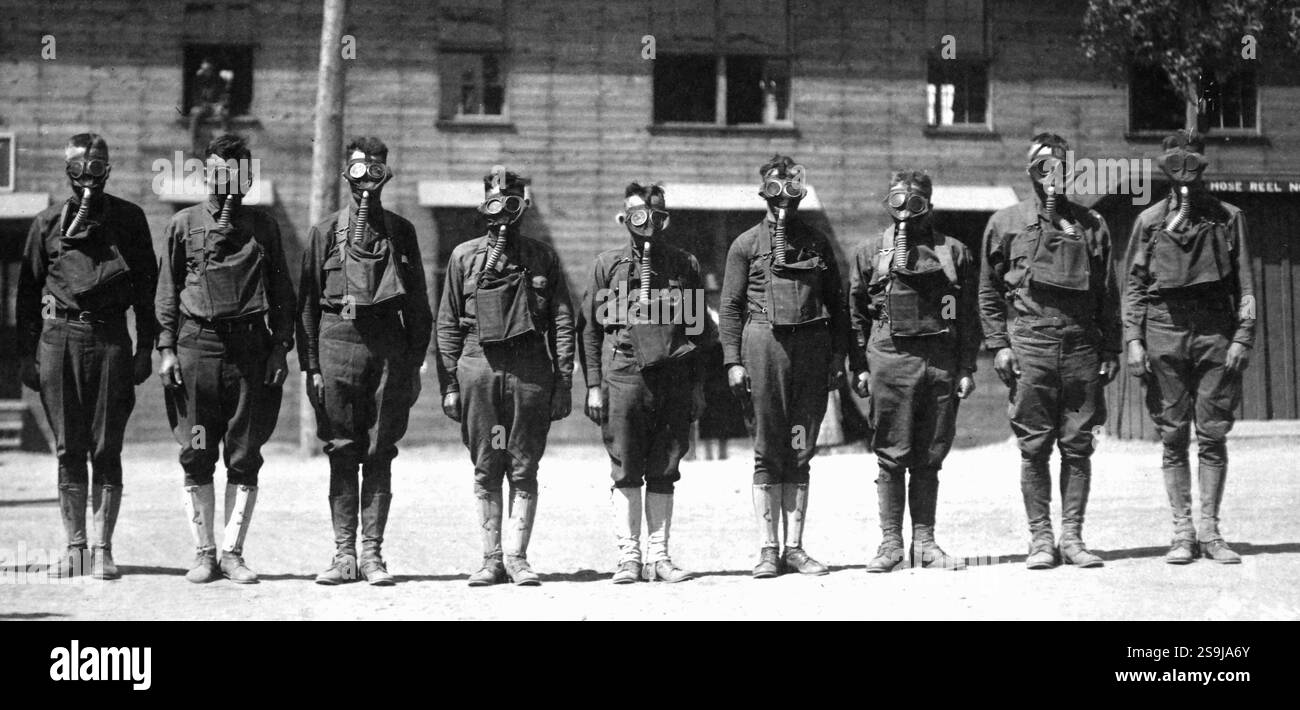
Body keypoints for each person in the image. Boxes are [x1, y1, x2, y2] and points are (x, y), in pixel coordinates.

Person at [155, 134, 296, 584]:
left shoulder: (263, 226)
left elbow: (282, 293)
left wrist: (280, 347)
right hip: (198, 348)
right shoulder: (183, 224)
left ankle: (233, 553)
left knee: (243, 451)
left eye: (235, 172)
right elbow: (168, 291)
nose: (225, 181)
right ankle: (204, 552)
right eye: (217, 170)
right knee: (196, 450)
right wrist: (166, 348)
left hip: (250, 351)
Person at [16, 133, 158, 580]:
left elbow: (147, 290)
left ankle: (103, 549)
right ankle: (75, 549)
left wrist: (145, 347)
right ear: (66, 170)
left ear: (108, 168)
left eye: (95, 167)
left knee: (107, 447)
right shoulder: (46, 224)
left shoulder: (129, 220)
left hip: (111, 339)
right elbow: (26, 295)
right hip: (59, 339)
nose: (87, 178)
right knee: (68, 448)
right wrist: (28, 354)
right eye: (78, 167)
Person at [979, 133, 1120, 570]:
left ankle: (1072, 538)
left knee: (1078, 445)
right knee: (1034, 446)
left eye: (1059, 164)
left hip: (1081, 344)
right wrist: (999, 345)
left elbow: (1108, 293)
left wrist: (1111, 347)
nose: (1050, 174)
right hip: (1031, 344)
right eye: (1041, 165)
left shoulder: (1091, 223)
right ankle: (1041, 539)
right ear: (1029, 171)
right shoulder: (1005, 222)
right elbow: (987, 291)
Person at [298, 137, 432, 586]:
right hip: (338, 339)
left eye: (375, 170)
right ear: (345, 175)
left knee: (379, 451)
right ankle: (343, 556)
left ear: (385, 174)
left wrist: (414, 363)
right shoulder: (324, 233)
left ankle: (372, 555)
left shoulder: (400, 231)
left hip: (387, 342)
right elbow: (307, 307)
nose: (366, 181)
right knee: (341, 449)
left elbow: (417, 305)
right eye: (358, 170)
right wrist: (311, 365)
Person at [436, 167, 575, 587]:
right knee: (486, 464)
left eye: (513, 201)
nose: (504, 211)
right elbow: (447, 323)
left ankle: (517, 558)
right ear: (484, 205)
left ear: (525, 206)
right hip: (480, 366)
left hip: (529, 370)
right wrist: (450, 384)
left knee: (523, 465)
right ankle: (490, 558)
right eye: (496, 200)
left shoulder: (542, 257)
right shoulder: (464, 257)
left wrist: (563, 380)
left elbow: (563, 321)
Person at [1123, 129, 1254, 565]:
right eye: (1177, 165)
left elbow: (1246, 287)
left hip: (1216, 334)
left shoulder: (1227, 218)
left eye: (1193, 164)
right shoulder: (1150, 222)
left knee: (1212, 435)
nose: (1186, 175)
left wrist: (1242, 336)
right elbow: (1134, 288)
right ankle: (1182, 532)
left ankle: (1210, 532)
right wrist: (1134, 340)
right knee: (1173, 436)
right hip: (1164, 331)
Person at [578, 182, 716, 583]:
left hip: (671, 376)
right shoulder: (608, 266)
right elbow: (590, 331)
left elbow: (695, 331)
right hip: (623, 375)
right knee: (625, 463)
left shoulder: (682, 264)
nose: (647, 224)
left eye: (656, 215)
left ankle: (659, 556)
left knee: (665, 463)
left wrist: (695, 387)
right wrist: (593, 385)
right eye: (639, 215)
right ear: (625, 218)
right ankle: (629, 556)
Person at [719, 155, 849, 579]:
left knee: (799, 446)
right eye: (775, 190)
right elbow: (731, 307)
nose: (783, 201)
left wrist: (836, 357)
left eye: (791, 190)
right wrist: (733, 361)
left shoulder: (816, 242)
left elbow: (838, 303)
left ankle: (794, 547)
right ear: (763, 192)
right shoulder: (745, 245)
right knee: (767, 447)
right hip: (764, 347)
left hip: (810, 350)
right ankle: (767, 549)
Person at [849, 170, 978, 572]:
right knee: (891, 455)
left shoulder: (953, 252)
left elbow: (968, 316)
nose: (906, 210)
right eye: (898, 200)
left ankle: (924, 542)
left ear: (930, 205)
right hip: (890, 361)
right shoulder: (870, 253)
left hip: (939, 364)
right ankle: (890, 545)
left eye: (916, 201)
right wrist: (860, 367)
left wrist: (965, 367)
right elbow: (856, 315)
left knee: (929, 455)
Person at [189, 58, 233, 157]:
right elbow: (195, 96)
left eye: (208, 69)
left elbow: (224, 95)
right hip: (204, 106)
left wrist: (221, 104)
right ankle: (193, 146)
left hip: (215, 106)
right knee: (195, 115)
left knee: (225, 114)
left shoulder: (220, 80)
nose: (206, 72)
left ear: (212, 70)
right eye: (204, 70)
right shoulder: (198, 80)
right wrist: (201, 104)